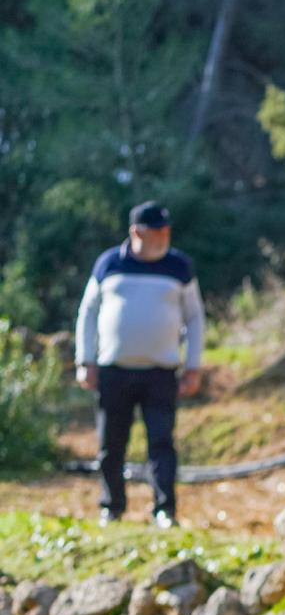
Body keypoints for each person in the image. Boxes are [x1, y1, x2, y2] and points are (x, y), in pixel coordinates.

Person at [74, 201, 204, 528]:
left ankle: (164, 510)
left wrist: (193, 365)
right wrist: (85, 360)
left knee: (162, 442)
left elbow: (195, 317)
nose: (163, 235)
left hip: (161, 372)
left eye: (166, 229)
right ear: (136, 232)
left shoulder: (179, 267)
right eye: (156, 230)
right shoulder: (108, 264)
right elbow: (87, 313)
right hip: (113, 370)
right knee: (111, 444)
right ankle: (112, 507)